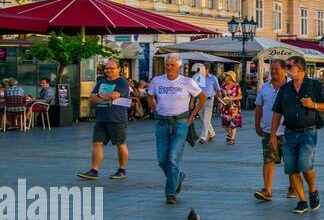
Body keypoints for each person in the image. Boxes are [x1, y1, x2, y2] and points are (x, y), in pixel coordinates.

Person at [270, 54, 324, 215]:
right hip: (289, 132)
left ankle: (313, 190)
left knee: (305, 165)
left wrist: (313, 105)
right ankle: (302, 201)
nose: (286, 70)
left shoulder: (313, 85)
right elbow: (277, 112)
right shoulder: (285, 89)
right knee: (291, 168)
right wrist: (273, 135)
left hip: (308, 131)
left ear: (299, 68)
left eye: (289, 67)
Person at [146, 55, 206, 205]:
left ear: (179, 66)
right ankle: (178, 177)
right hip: (162, 122)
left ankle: (170, 193)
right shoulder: (157, 81)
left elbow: (202, 97)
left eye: (172, 65)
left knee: (173, 158)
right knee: (162, 160)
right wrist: (156, 110)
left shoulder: (187, 82)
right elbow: (149, 96)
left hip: (180, 122)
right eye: (167, 64)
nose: (169, 67)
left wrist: (192, 116)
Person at [78, 59, 132, 180]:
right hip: (101, 117)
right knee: (97, 143)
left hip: (117, 118)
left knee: (120, 144)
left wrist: (99, 95)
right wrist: (103, 96)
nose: (108, 70)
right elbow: (91, 98)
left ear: (119, 69)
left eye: (112, 68)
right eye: (107, 68)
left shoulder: (122, 82)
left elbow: (114, 96)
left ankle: (122, 170)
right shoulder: (101, 82)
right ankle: (94, 170)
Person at [252, 59, 289, 201]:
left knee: (290, 162)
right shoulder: (265, 87)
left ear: (284, 70)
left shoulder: (291, 86)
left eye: (276, 69)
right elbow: (258, 106)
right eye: (271, 69)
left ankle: (292, 187)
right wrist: (257, 124)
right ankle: (267, 190)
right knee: (268, 159)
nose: (273, 71)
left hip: (288, 130)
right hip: (268, 130)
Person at [218, 71, 243, 144]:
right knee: (225, 122)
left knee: (233, 122)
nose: (225, 77)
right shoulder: (223, 86)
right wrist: (220, 103)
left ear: (230, 77)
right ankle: (229, 134)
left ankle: (232, 139)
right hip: (225, 106)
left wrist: (232, 99)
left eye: (226, 76)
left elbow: (240, 96)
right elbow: (220, 96)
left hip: (234, 106)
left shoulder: (236, 86)